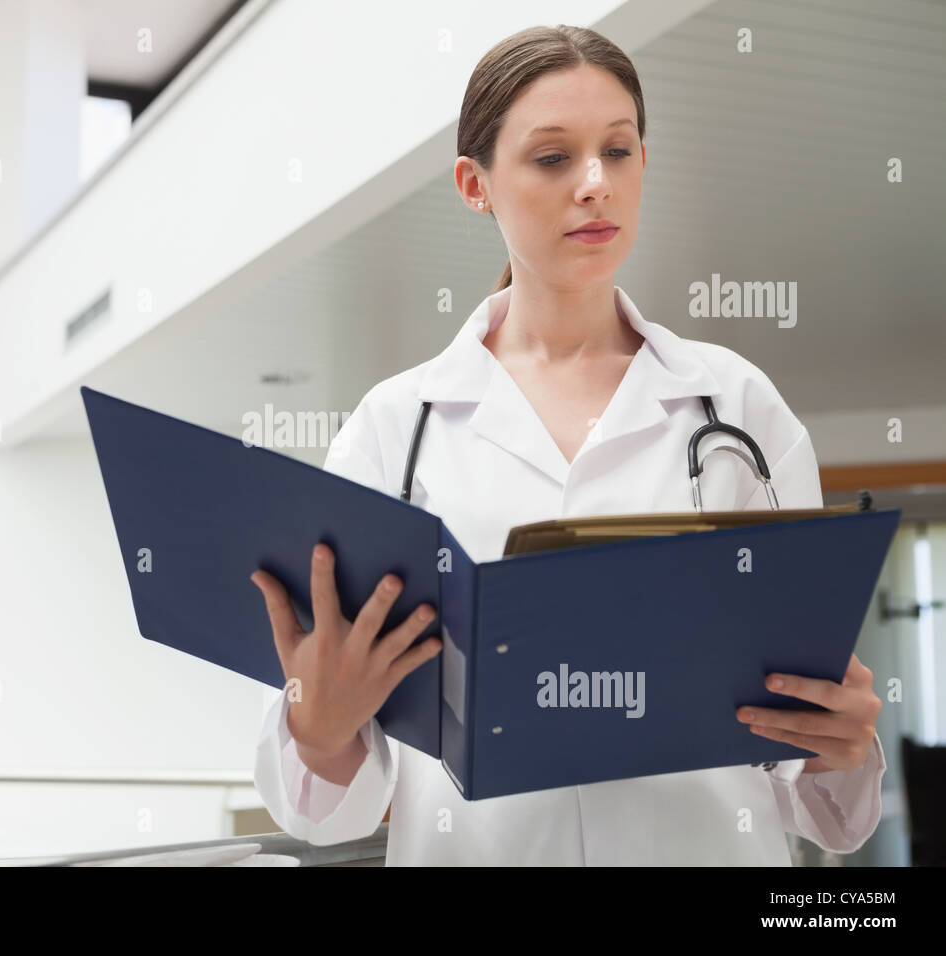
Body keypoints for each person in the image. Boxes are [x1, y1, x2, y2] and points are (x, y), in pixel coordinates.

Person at [248, 25, 885, 866]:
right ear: (475, 185)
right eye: (553, 158)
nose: (595, 185)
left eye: (618, 152)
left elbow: (829, 814)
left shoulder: (736, 407)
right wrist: (317, 725)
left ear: (643, 166)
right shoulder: (392, 428)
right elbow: (326, 813)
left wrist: (841, 743)